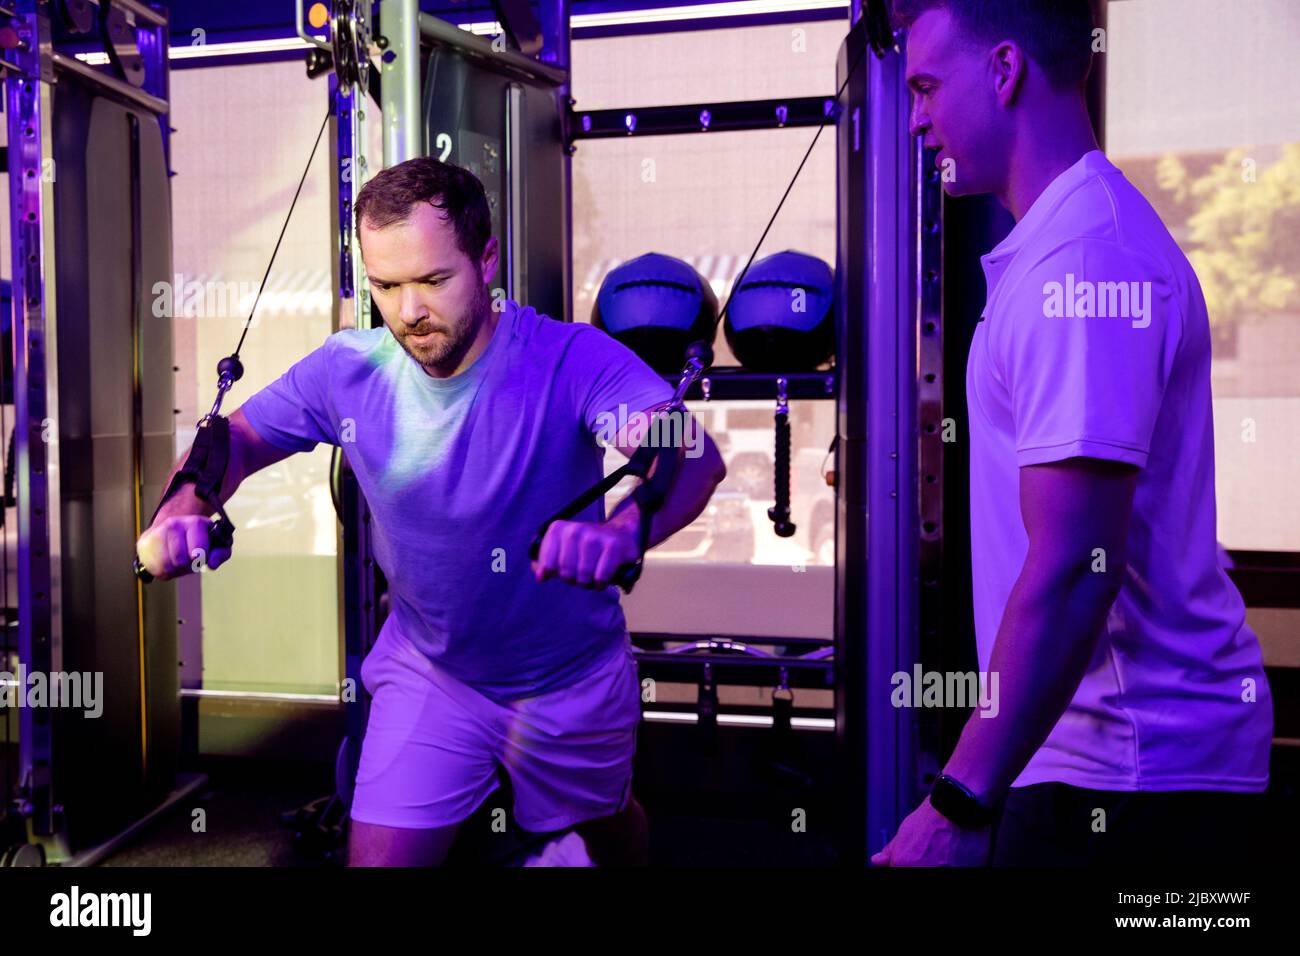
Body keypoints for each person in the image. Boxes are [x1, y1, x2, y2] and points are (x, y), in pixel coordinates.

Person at [136, 157, 726, 866]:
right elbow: (235, 438)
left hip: (564, 677)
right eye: (386, 286)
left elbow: (685, 448)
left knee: (604, 839)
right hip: (432, 672)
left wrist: (625, 528)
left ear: (486, 258)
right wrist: (182, 504)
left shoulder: (571, 359)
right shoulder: (347, 370)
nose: (408, 310)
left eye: (433, 280)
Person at [873, 0, 1272, 866]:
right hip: (1099, 762)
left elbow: (1073, 569)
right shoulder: (1064, 246)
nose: (916, 119)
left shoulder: (1085, 264)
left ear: (1005, 70)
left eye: (927, 87)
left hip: (1130, 779)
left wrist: (958, 800)